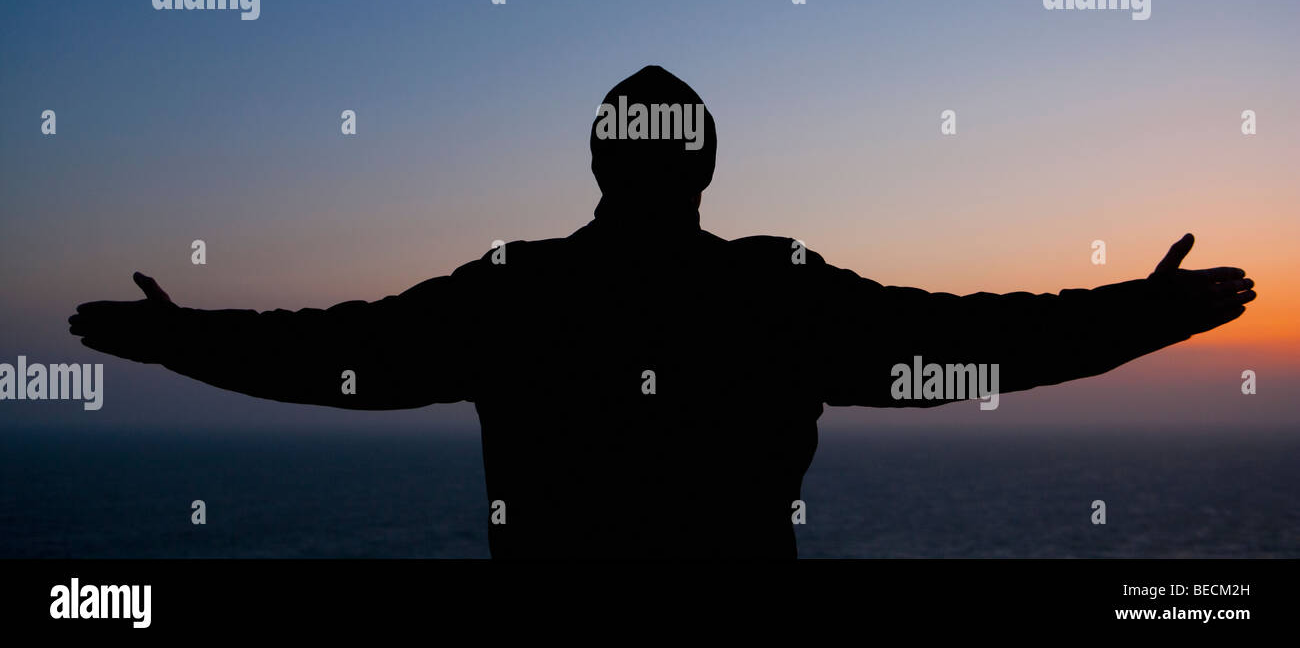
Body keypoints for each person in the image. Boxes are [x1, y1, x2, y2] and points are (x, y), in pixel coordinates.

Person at [68, 65, 1257, 558]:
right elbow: (980, 345)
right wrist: (1146, 313)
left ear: (600, 163)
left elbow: (337, 355)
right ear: (703, 167)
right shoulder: (772, 291)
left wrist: (180, 338)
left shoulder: (518, 288)